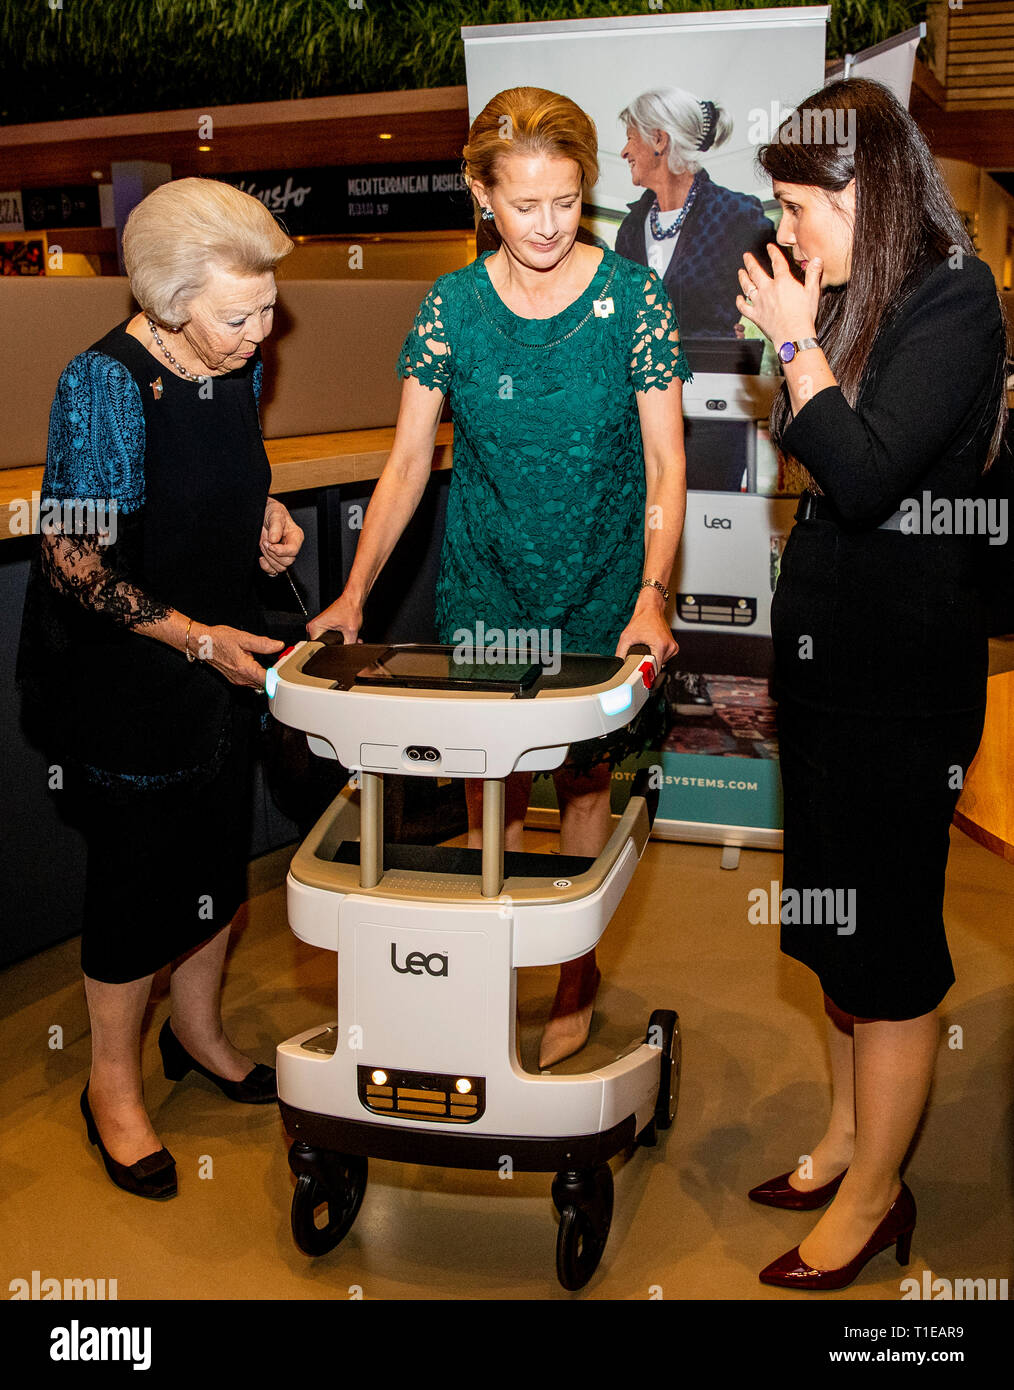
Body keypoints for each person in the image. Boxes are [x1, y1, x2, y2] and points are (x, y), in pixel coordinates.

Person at [308, 86, 689, 1068]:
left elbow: (664, 465)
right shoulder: (452, 310)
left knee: (586, 781)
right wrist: (352, 594)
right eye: (526, 205)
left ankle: (573, 969)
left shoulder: (632, 301)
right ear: (482, 193)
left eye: (566, 201)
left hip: (604, 584)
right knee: (494, 790)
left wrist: (652, 590)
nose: (549, 225)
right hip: (489, 584)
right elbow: (403, 467)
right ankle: (492, 957)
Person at [736, 77, 1007, 1289]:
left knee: (888, 953)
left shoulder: (955, 297)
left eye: (800, 204)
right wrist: (804, 340)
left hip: (905, 680)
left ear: (868, 187)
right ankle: (849, 1139)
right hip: (829, 666)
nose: (787, 230)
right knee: (829, 927)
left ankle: (878, 1196)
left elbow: (864, 475)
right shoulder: (858, 293)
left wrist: (797, 345)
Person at [17, 177, 305, 1199]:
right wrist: (195, 641)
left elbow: (222, 482)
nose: (261, 335)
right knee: (139, 891)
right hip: (128, 672)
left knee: (215, 870)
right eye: (241, 316)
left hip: (217, 660)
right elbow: (77, 566)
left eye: (269, 309)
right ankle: (112, 1086)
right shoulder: (102, 384)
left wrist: (264, 525)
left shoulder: (223, 365)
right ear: (171, 303)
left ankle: (197, 1033)